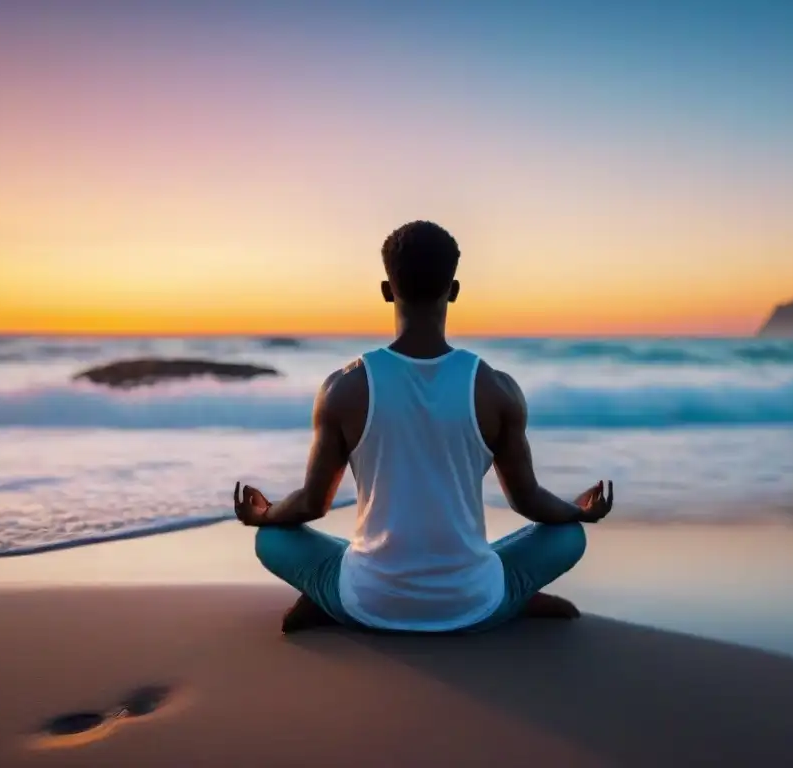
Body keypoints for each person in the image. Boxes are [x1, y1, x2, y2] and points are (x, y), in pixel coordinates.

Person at [234, 221, 614, 634]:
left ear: (386, 291)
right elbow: (529, 501)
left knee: (271, 538)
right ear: (454, 291)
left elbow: (312, 504)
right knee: (568, 535)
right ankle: (513, 594)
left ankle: (326, 598)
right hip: (472, 606)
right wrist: (578, 511)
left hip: (367, 602)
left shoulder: (344, 387)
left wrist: (266, 514)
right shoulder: (496, 388)